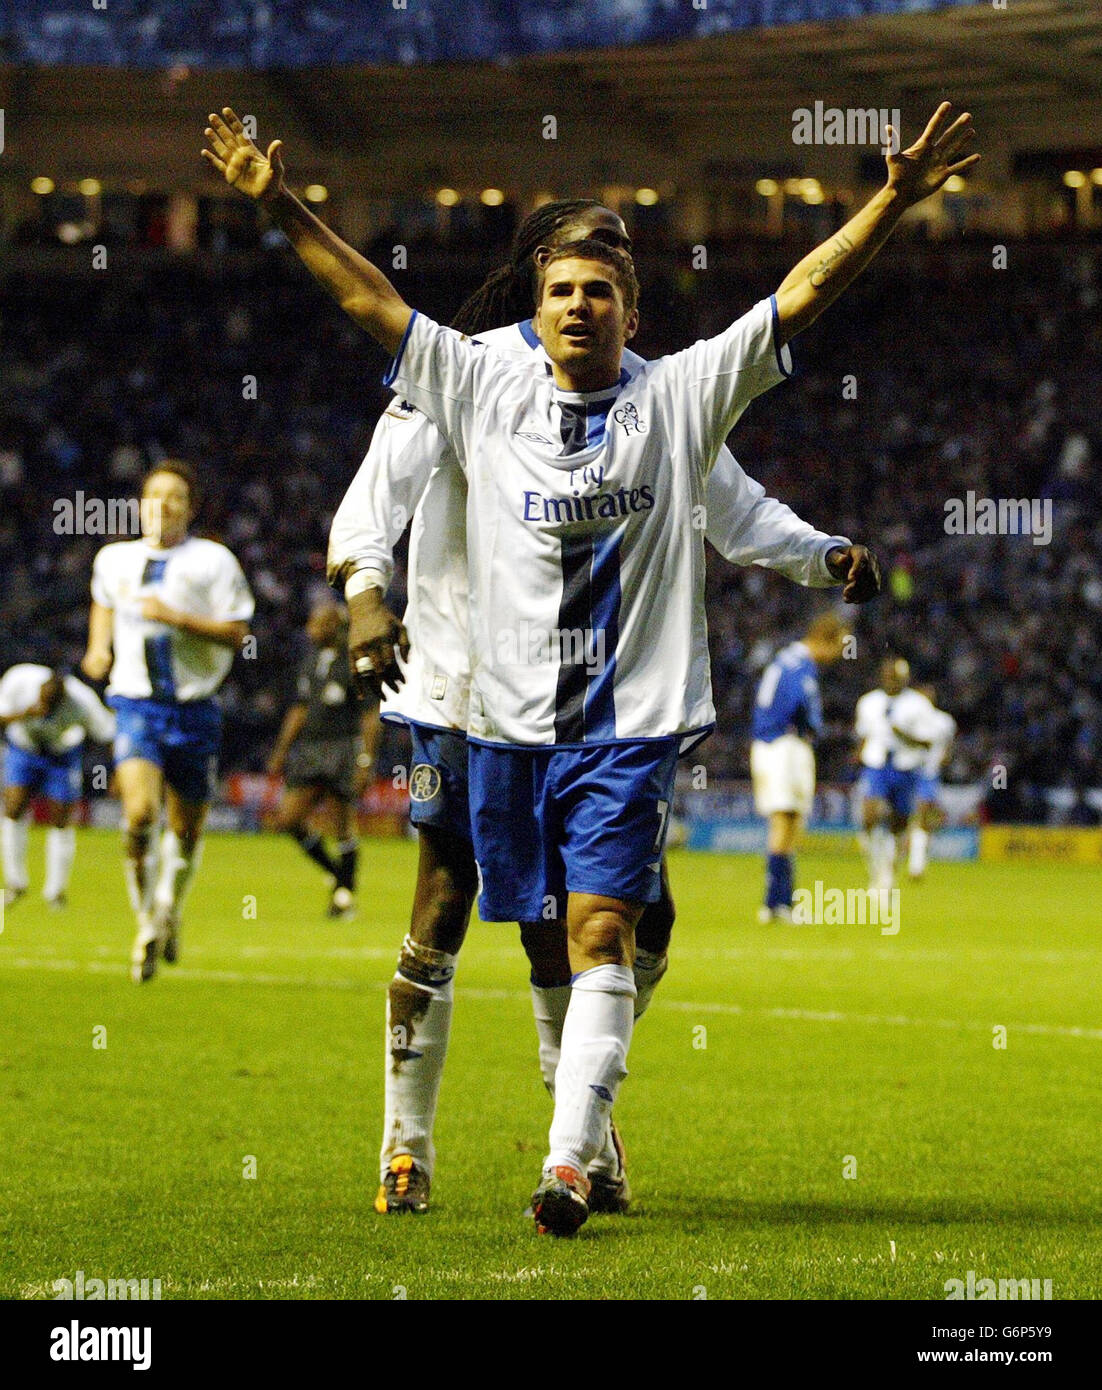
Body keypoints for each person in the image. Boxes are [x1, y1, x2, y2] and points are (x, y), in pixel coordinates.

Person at [204, 98, 972, 1233]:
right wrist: (365, 593)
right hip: (462, 690)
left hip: (613, 709)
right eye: (571, 269)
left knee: (620, 926)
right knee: (460, 903)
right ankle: (417, 1146)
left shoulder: (663, 395)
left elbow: (727, 498)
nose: (586, 289)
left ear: (627, 293)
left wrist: (820, 555)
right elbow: (372, 488)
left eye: (609, 270)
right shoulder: (462, 378)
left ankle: (577, 1127)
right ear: (540, 278)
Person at [82, 461, 255, 982]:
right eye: (153, 494)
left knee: (186, 829)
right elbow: (103, 603)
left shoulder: (213, 560)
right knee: (138, 816)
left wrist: (175, 617)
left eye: (175, 496)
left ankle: (169, 910)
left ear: (190, 508)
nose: (163, 504)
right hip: (136, 706)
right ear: (140, 503)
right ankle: (146, 924)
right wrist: (98, 647)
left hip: (195, 709)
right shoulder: (114, 559)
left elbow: (238, 633)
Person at [267, 602, 380, 919]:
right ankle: (337, 874)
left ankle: (344, 896)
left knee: (342, 824)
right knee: (288, 820)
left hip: (342, 748)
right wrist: (280, 750)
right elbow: (300, 709)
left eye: (316, 624)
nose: (310, 630)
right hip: (309, 750)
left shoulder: (356, 662)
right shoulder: (310, 661)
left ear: (334, 625)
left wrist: (365, 760)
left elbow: (371, 716)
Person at [750, 613, 850, 922]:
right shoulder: (799, 665)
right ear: (825, 639)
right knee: (784, 822)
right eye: (839, 646)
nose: (838, 656)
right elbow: (801, 703)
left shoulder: (787, 659)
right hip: (783, 745)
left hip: (776, 743)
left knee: (790, 822)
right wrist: (816, 728)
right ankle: (775, 903)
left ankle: (783, 901)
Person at [0, 664, 115, 908]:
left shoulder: (83, 701)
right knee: (13, 806)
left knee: (62, 817)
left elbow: (106, 736)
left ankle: (56, 891)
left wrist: (101, 779)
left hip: (62, 753)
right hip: (24, 746)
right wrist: (25, 714)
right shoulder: (19, 679)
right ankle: (15, 882)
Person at [854, 657, 941, 894]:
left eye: (898, 677)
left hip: (906, 767)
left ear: (906, 678)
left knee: (899, 825)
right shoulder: (868, 702)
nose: (893, 681)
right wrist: (857, 758)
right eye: (889, 676)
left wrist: (903, 735)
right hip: (877, 765)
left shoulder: (919, 704)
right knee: (870, 816)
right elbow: (863, 735)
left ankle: (888, 875)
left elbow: (928, 742)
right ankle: (875, 869)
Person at [907, 683, 955, 879]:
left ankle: (916, 864)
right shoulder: (907, 719)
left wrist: (941, 759)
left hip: (927, 775)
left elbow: (947, 750)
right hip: (905, 772)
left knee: (923, 816)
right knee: (901, 817)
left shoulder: (944, 721)